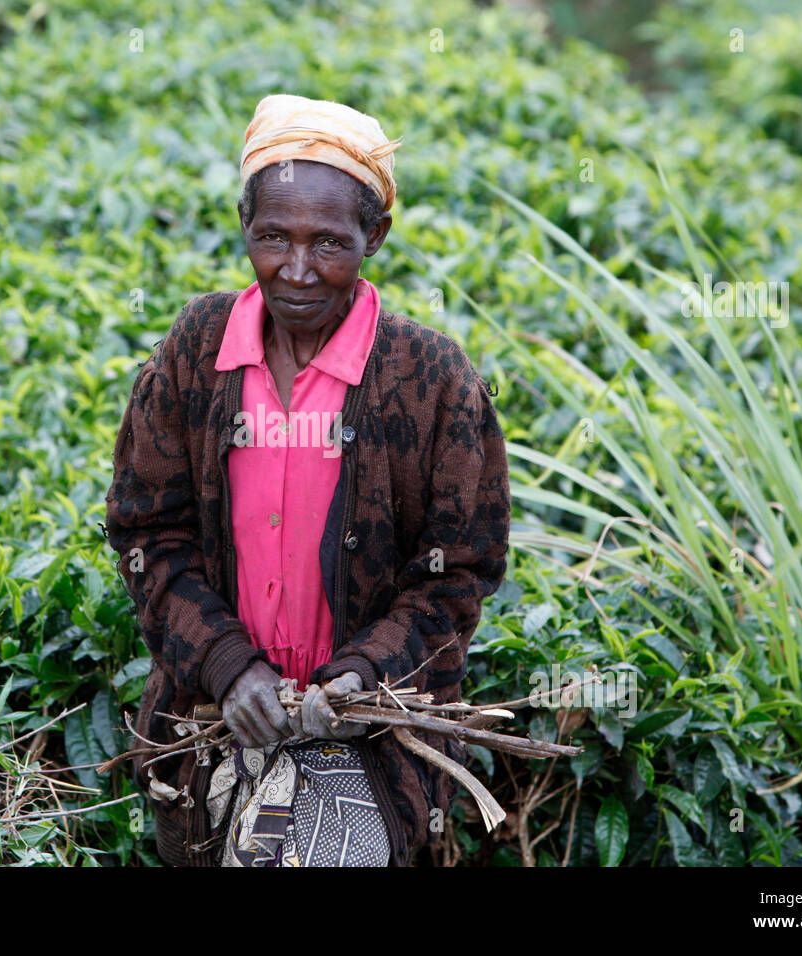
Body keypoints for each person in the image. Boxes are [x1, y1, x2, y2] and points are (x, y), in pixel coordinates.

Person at [105, 93, 511, 866]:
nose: (296, 270)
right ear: (243, 227)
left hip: (368, 725)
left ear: (375, 236)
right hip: (212, 716)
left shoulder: (432, 378)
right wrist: (227, 666)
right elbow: (146, 533)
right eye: (271, 238)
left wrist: (361, 676)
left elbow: (461, 570)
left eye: (329, 242)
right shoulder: (196, 348)